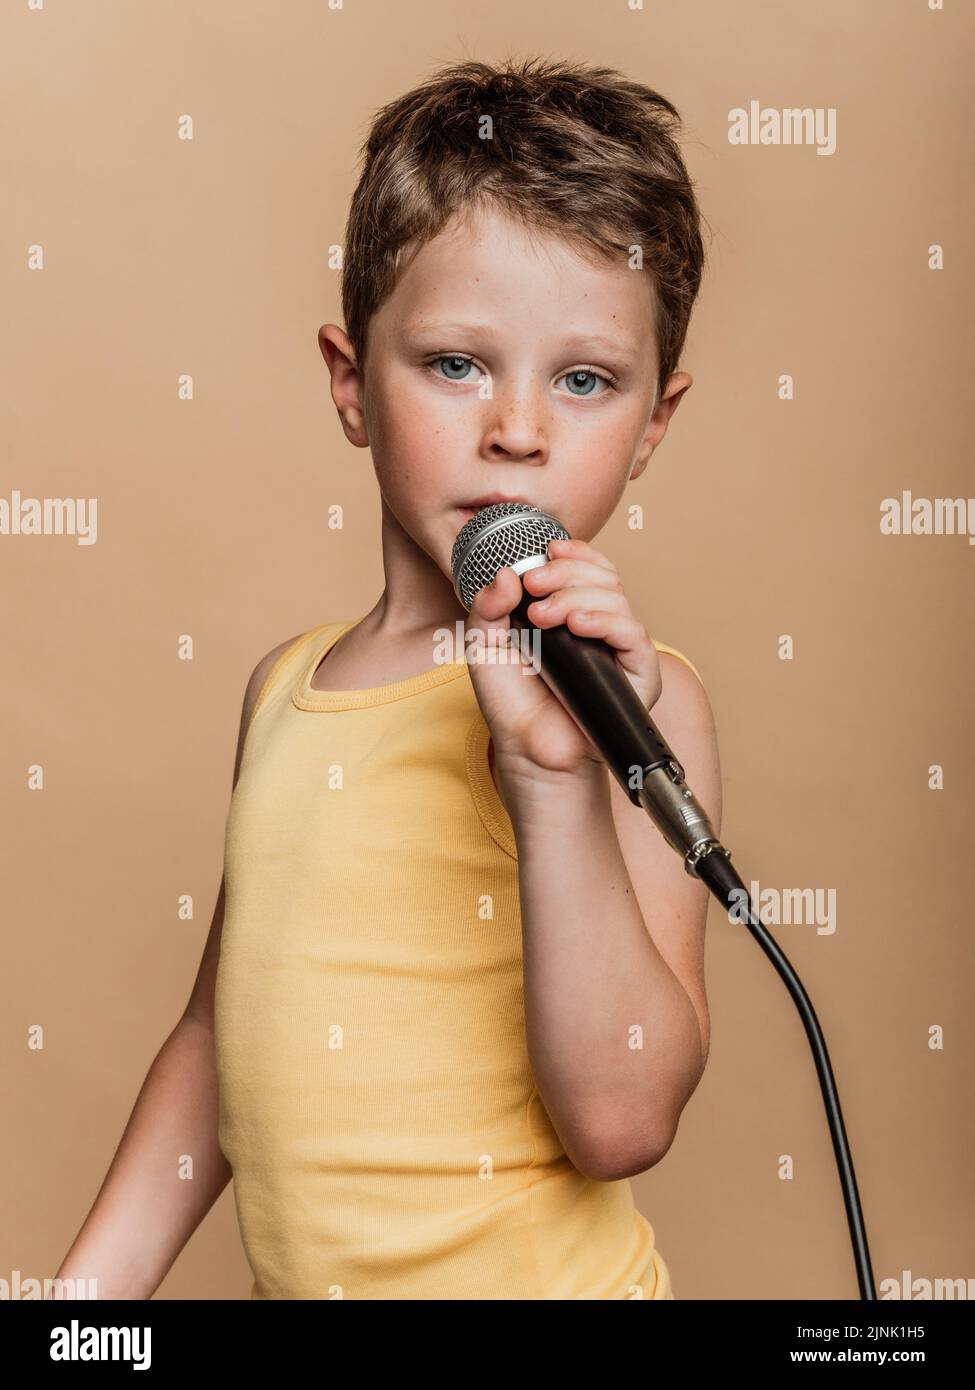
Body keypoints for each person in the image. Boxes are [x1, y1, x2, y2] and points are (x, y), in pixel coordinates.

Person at [56, 55, 722, 1301]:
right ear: (352, 381)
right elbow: (218, 1043)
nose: (517, 428)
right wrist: (76, 1306)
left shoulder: (636, 705)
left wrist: (548, 773)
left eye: (583, 381)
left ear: (653, 424)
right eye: (458, 363)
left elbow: (622, 1120)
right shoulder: (284, 688)